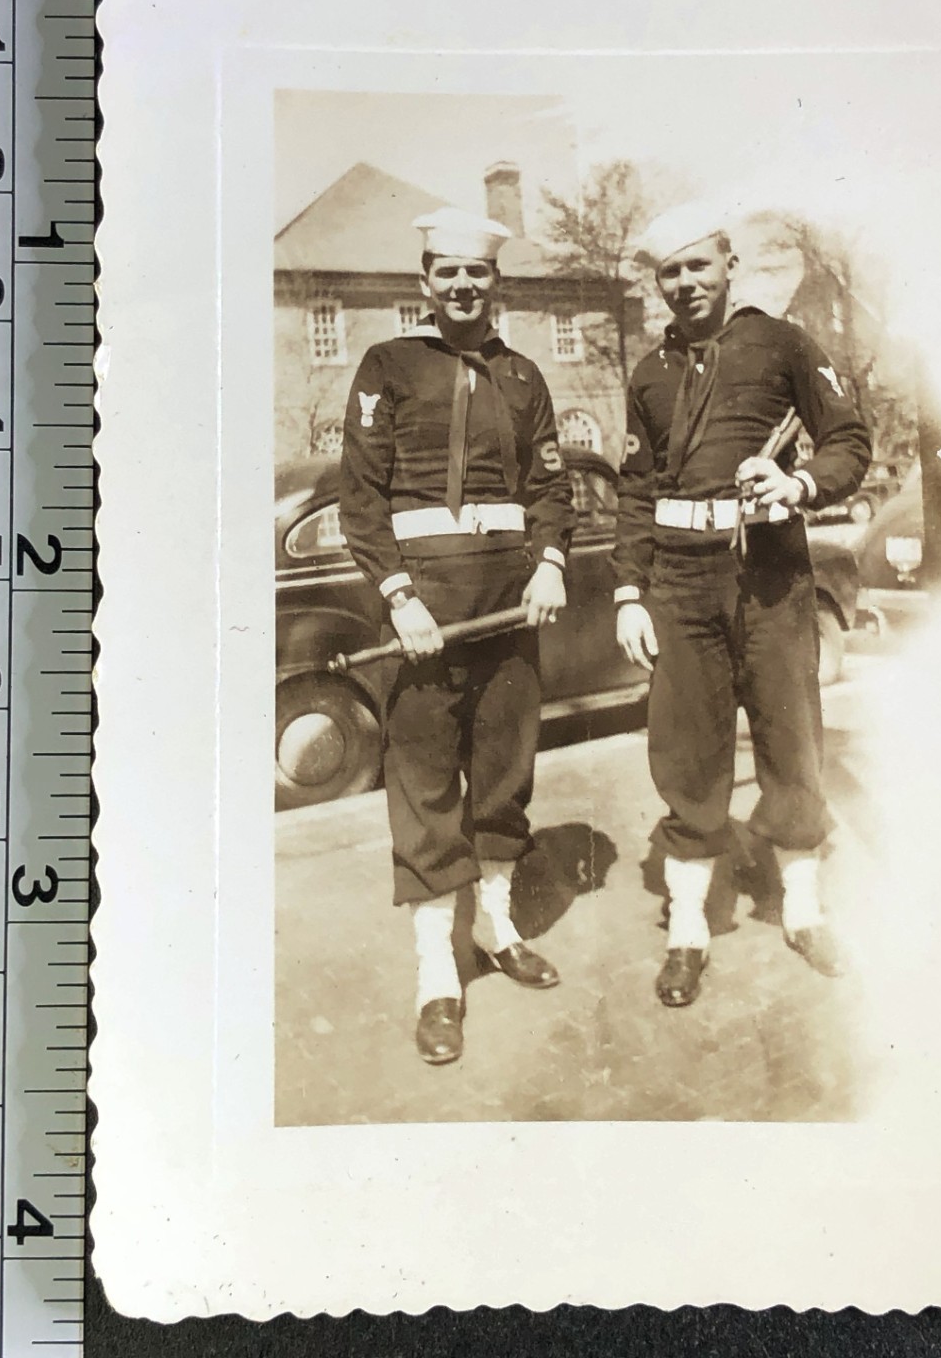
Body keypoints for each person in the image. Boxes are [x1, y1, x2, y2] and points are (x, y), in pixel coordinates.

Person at [612, 202, 872, 1007]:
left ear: (728, 264)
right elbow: (633, 489)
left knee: (790, 738)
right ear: (657, 284)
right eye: (670, 272)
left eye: (698, 265)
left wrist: (797, 483)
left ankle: (800, 909)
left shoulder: (782, 343)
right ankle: (688, 927)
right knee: (687, 751)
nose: (685, 283)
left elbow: (849, 441)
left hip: (769, 576)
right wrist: (628, 589)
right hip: (680, 584)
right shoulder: (649, 373)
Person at [339, 207, 575, 1065]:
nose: (463, 286)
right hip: (422, 608)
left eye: (478, 274)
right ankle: (437, 973)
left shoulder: (522, 376)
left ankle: (498, 931)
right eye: (447, 272)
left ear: (495, 284)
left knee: (505, 770)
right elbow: (360, 498)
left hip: (511, 600)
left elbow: (551, 485)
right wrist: (398, 595)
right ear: (425, 283)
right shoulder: (387, 365)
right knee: (427, 783)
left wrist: (549, 562)